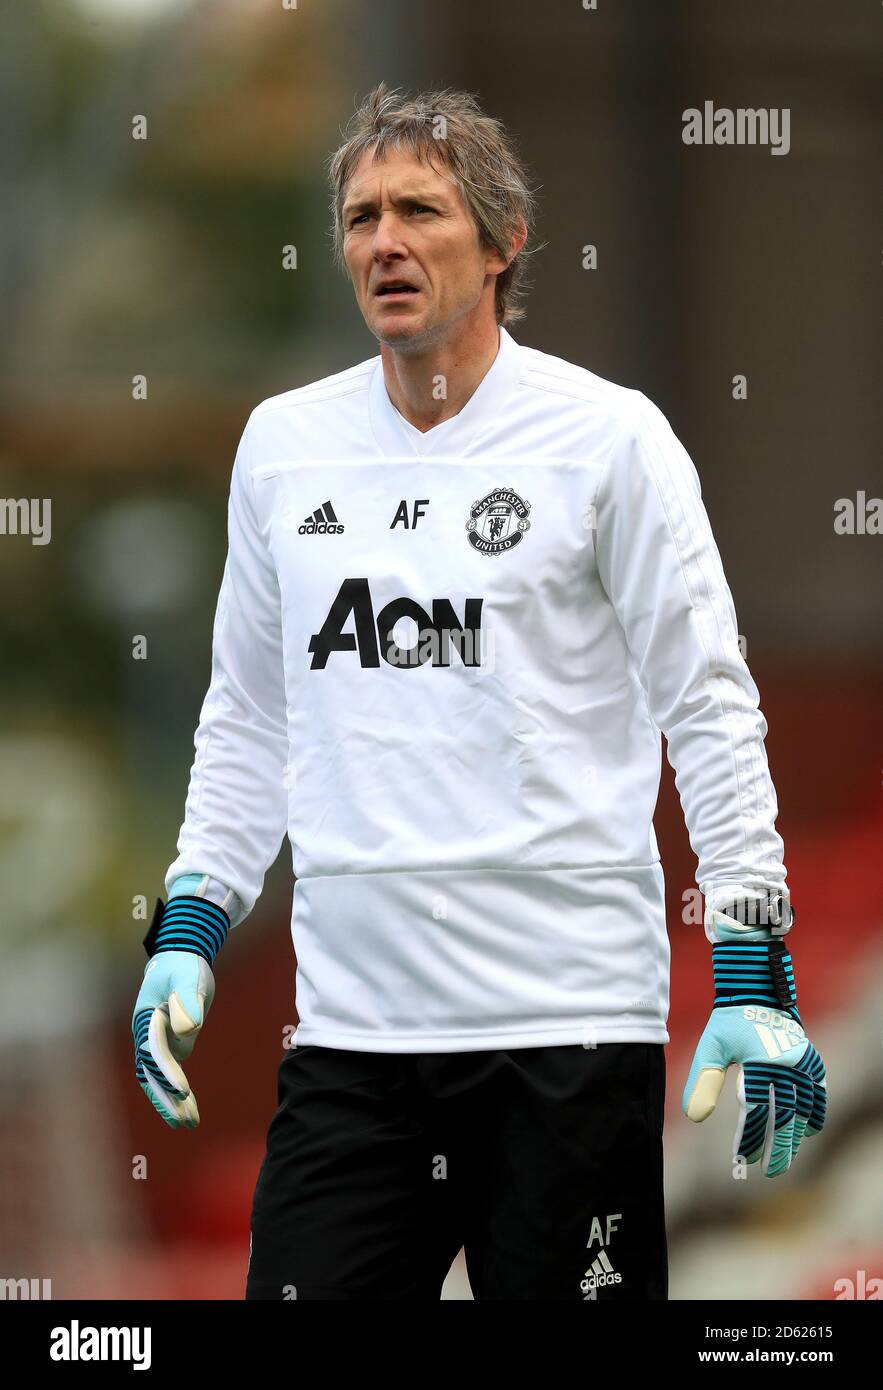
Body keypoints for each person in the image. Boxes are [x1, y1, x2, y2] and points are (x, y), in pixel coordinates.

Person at [132, 82, 826, 1301]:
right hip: (355, 1046)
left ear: (503, 242)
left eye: (419, 211)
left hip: (566, 1038)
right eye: (358, 217)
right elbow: (249, 714)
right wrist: (189, 924)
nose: (382, 242)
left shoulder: (608, 441)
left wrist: (749, 958)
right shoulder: (283, 449)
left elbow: (707, 706)